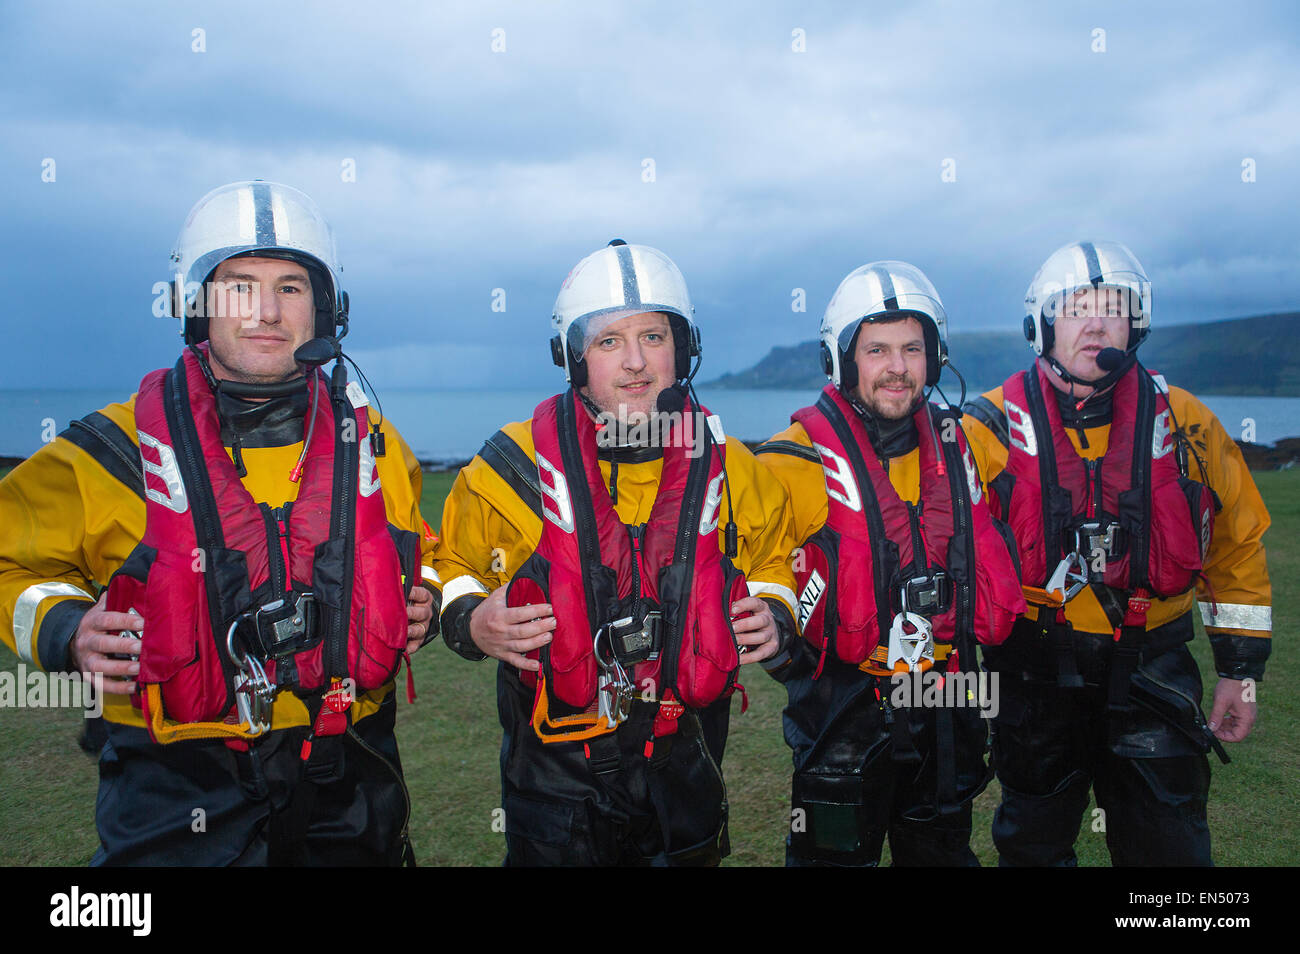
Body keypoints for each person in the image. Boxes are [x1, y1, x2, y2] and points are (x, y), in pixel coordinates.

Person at [0, 181, 438, 865]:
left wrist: (427, 599)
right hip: (176, 787)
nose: (267, 312)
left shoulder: (375, 445)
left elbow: (416, 553)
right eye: (238, 286)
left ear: (327, 310)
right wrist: (65, 629)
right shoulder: (107, 455)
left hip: (352, 778)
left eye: (291, 287)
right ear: (194, 304)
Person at [434, 240, 798, 866]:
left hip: (688, 764)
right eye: (608, 342)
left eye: (653, 337)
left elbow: (775, 560)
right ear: (571, 356)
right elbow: (449, 568)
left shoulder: (733, 467)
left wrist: (776, 608)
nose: (636, 363)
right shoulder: (507, 469)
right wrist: (472, 619)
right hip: (552, 778)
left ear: (683, 348)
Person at [960, 239, 1271, 866]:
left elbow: (1236, 550)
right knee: (1032, 845)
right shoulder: (984, 428)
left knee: (1171, 850)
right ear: (1042, 325)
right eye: (1077, 308)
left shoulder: (1187, 424)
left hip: (1154, 669)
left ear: (1138, 324)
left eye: (1114, 308)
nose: (1097, 323)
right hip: (1033, 678)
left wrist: (1240, 673)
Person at [757, 260, 1025, 866]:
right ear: (842, 359)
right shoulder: (788, 465)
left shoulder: (971, 447)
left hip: (948, 701)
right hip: (838, 710)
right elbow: (746, 574)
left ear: (935, 356)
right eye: (877, 349)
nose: (898, 368)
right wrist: (784, 649)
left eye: (912, 347)